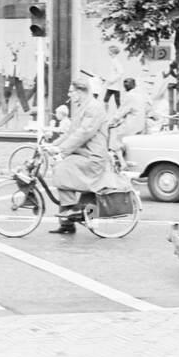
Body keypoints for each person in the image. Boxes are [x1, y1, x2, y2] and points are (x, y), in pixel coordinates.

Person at [45, 78, 111, 235]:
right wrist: (54, 146)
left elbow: (83, 133)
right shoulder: (82, 107)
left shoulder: (94, 108)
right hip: (84, 153)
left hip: (93, 157)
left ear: (81, 91)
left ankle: (71, 211)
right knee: (64, 168)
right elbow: (71, 133)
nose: (69, 94)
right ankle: (68, 223)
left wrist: (61, 150)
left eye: (71, 91)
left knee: (62, 168)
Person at [102, 44, 125, 110]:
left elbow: (121, 72)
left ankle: (119, 115)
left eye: (109, 51)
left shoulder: (116, 61)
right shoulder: (113, 60)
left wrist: (112, 80)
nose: (108, 52)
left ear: (112, 52)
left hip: (115, 86)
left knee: (117, 102)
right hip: (111, 85)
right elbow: (112, 73)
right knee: (106, 100)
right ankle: (106, 115)